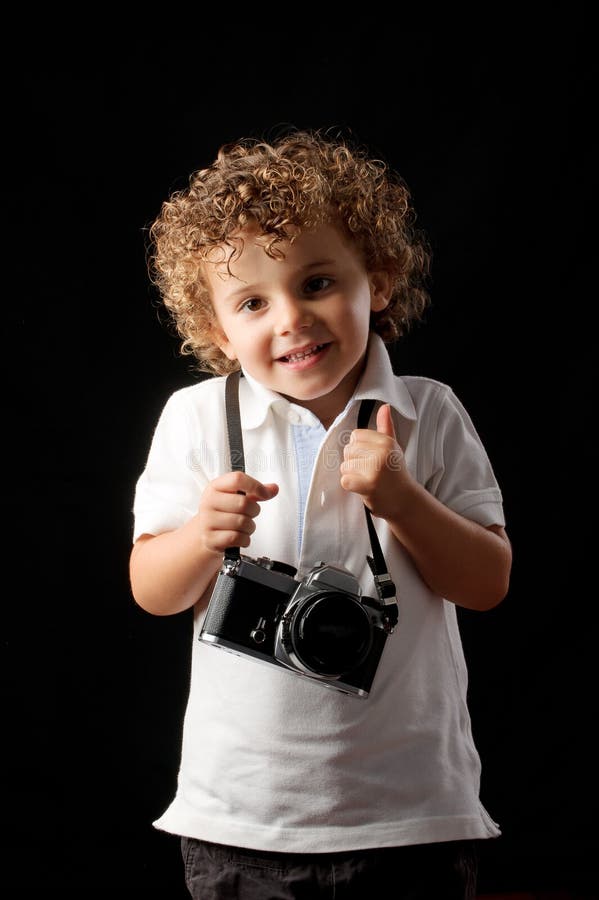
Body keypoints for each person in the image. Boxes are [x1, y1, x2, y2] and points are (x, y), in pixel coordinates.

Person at [130, 127, 512, 900]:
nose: (290, 320)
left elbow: (486, 584)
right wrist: (202, 538)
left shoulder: (428, 413)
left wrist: (402, 501)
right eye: (250, 301)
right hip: (242, 814)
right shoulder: (197, 419)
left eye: (315, 283)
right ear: (214, 328)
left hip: (411, 811)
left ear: (378, 275)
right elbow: (151, 589)